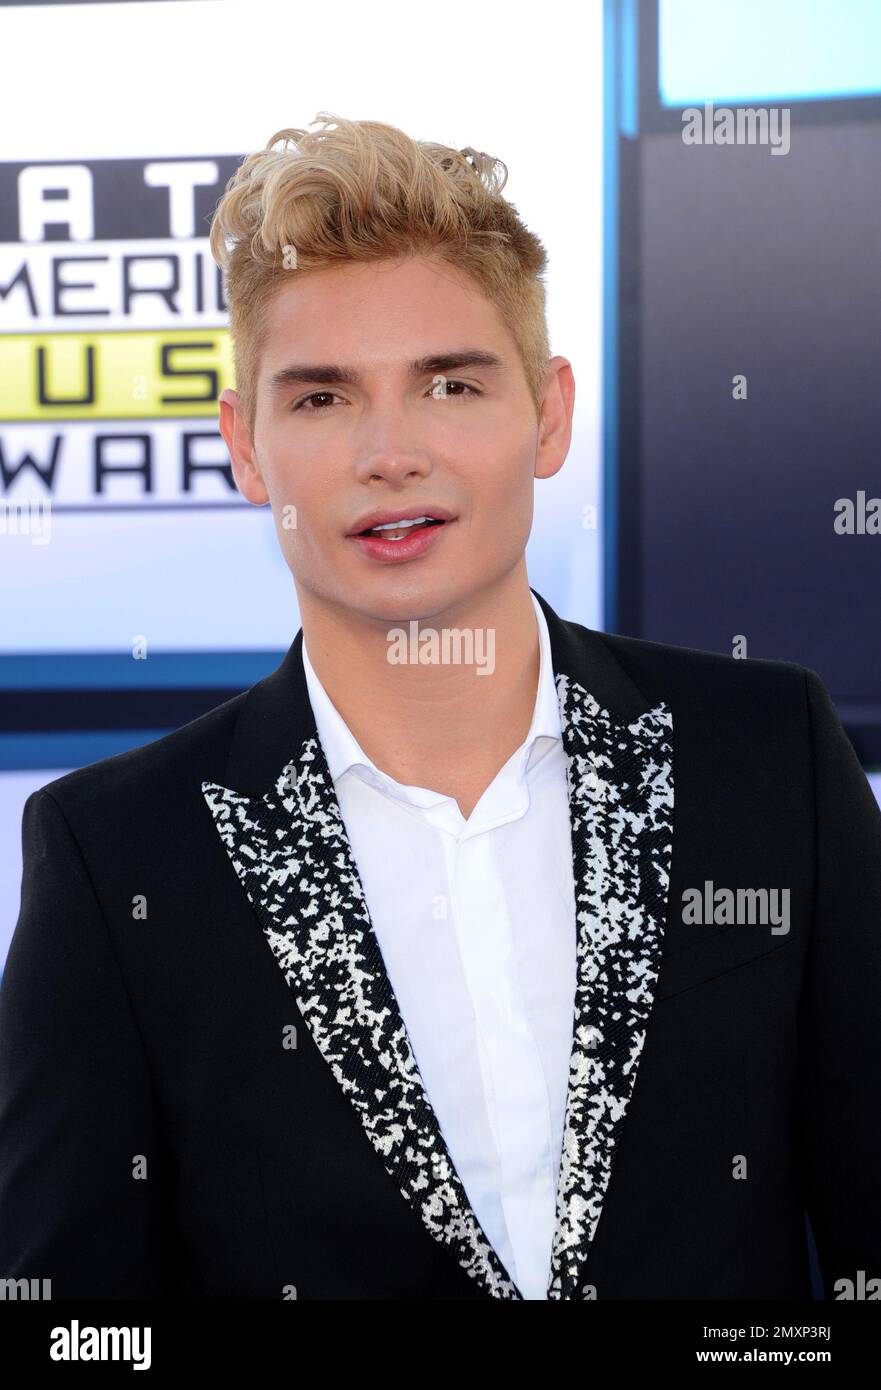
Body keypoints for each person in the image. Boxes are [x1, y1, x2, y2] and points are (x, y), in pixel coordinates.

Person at [1, 113, 879, 1301]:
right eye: (319, 400)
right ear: (244, 448)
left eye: (449, 383)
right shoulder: (116, 854)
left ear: (548, 413)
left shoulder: (761, 751)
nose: (388, 450)